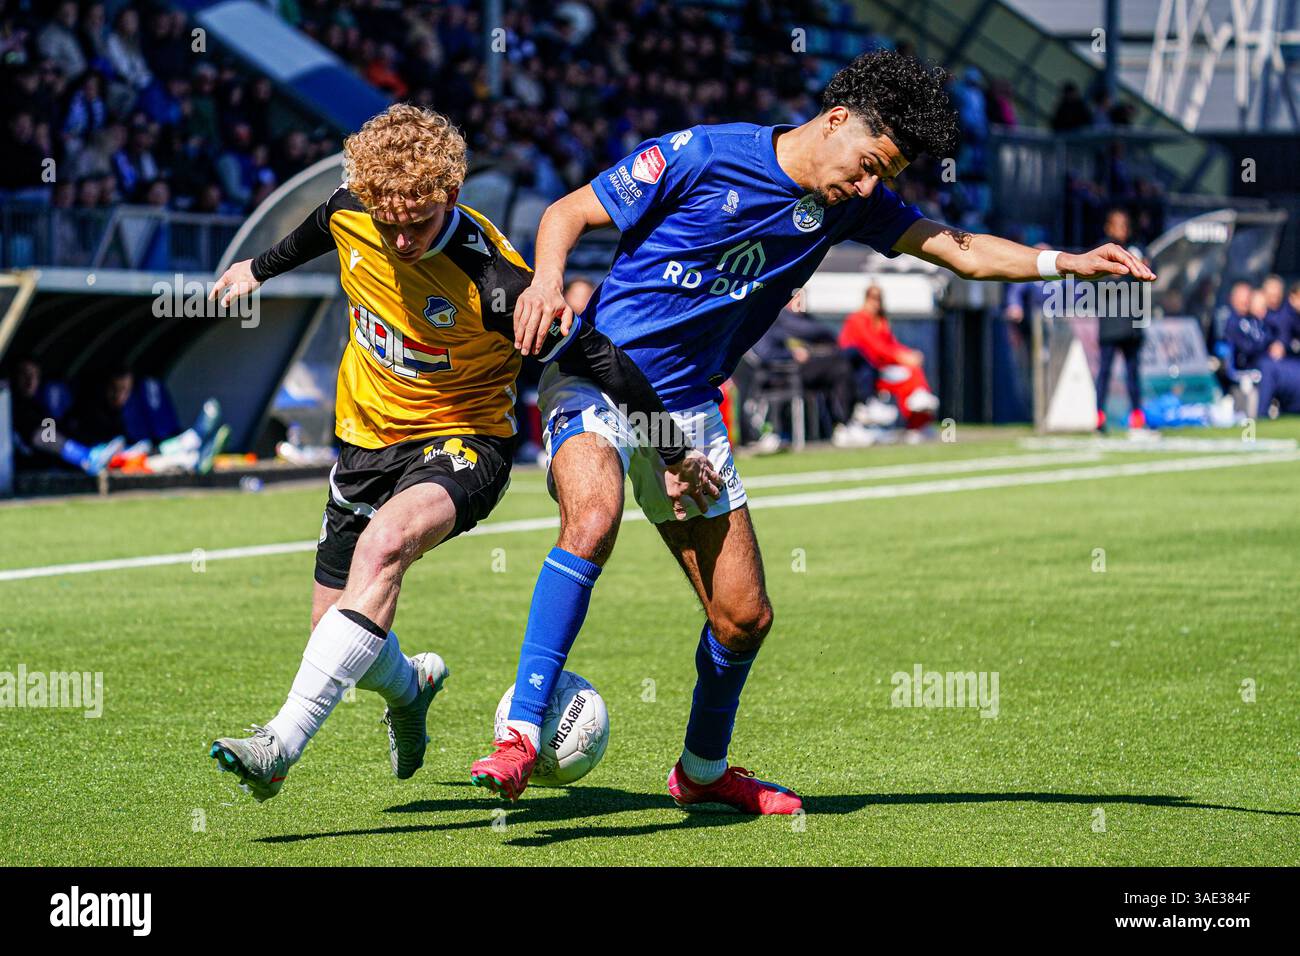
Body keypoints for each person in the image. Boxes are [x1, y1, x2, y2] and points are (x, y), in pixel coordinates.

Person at [470, 49, 1153, 812]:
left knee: (743, 617)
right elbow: (569, 211)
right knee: (592, 520)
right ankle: (521, 737)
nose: (866, 187)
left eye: (880, 178)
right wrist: (545, 281)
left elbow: (960, 251)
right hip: (597, 373)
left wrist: (1066, 261)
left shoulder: (849, 204)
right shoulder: (703, 153)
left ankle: (701, 772)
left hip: (688, 410)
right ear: (834, 122)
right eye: (865, 164)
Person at [205, 104, 709, 803]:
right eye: (391, 224)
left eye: (420, 221)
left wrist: (672, 450)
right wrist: (253, 271)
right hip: (363, 437)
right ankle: (410, 689)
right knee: (335, 629)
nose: (403, 238)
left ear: (450, 193)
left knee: (384, 546)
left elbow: (598, 356)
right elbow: (317, 231)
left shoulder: (495, 283)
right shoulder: (355, 210)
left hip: (465, 441)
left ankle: (277, 746)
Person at [838, 284, 939, 432]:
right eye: (873, 298)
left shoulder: (881, 322)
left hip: (881, 369)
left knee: (912, 375)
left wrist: (908, 354)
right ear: (866, 299)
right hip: (864, 371)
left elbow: (892, 344)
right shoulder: (857, 320)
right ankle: (916, 422)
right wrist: (901, 357)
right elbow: (874, 347)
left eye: (879, 299)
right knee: (909, 377)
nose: (876, 303)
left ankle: (919, 423)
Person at [1093, 207, 1150, 432]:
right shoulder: (1101, 251)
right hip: (1110, 323)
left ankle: (1137, 417)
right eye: (1118, 224)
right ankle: (1098, 417)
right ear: (1108, 226)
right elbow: (1094, 282)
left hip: (1131, 323)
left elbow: (1144, 277)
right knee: (1105, 371)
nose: (1122, 229)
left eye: (1125, 224)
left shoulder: (1135, 249)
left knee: (1133, 373)